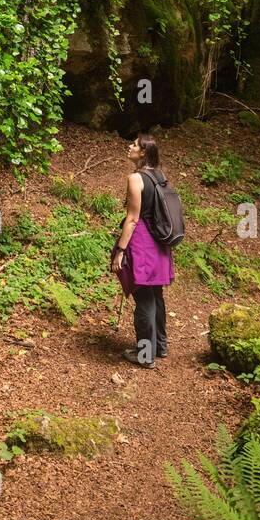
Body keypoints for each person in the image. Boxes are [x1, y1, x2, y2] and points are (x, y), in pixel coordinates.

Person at [110, 134, 174, 368]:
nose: (130, 146)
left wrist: (121, 250)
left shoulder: (136, 178)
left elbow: (133, 218)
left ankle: (145, 356)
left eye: (135, 145)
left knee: (144, 298)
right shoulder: (160, 175)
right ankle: (159, 347)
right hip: (161, 243)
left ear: (144, 152)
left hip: (143, 244)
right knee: (156, 295)